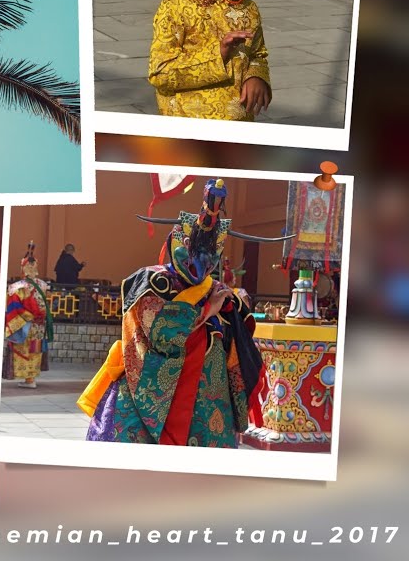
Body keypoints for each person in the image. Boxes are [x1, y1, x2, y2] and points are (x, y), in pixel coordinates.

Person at [78, 178, 290, 447]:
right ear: (175, 242)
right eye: (193, 248)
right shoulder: (151, 280)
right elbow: (158, 332)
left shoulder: (216, 288)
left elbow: (236, 337)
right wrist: (205, 309)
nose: (201, 260)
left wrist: (233, 307)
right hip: (147, 386)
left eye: (210, 252)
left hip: (209, 394)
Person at [5, 242, 51, 388]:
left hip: (25, 324)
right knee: (35, 350)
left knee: (23, 349)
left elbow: (14, 307)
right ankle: (32, 379)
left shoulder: (16, 287)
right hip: (39, 325)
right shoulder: (43, 285)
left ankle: (28, 380)